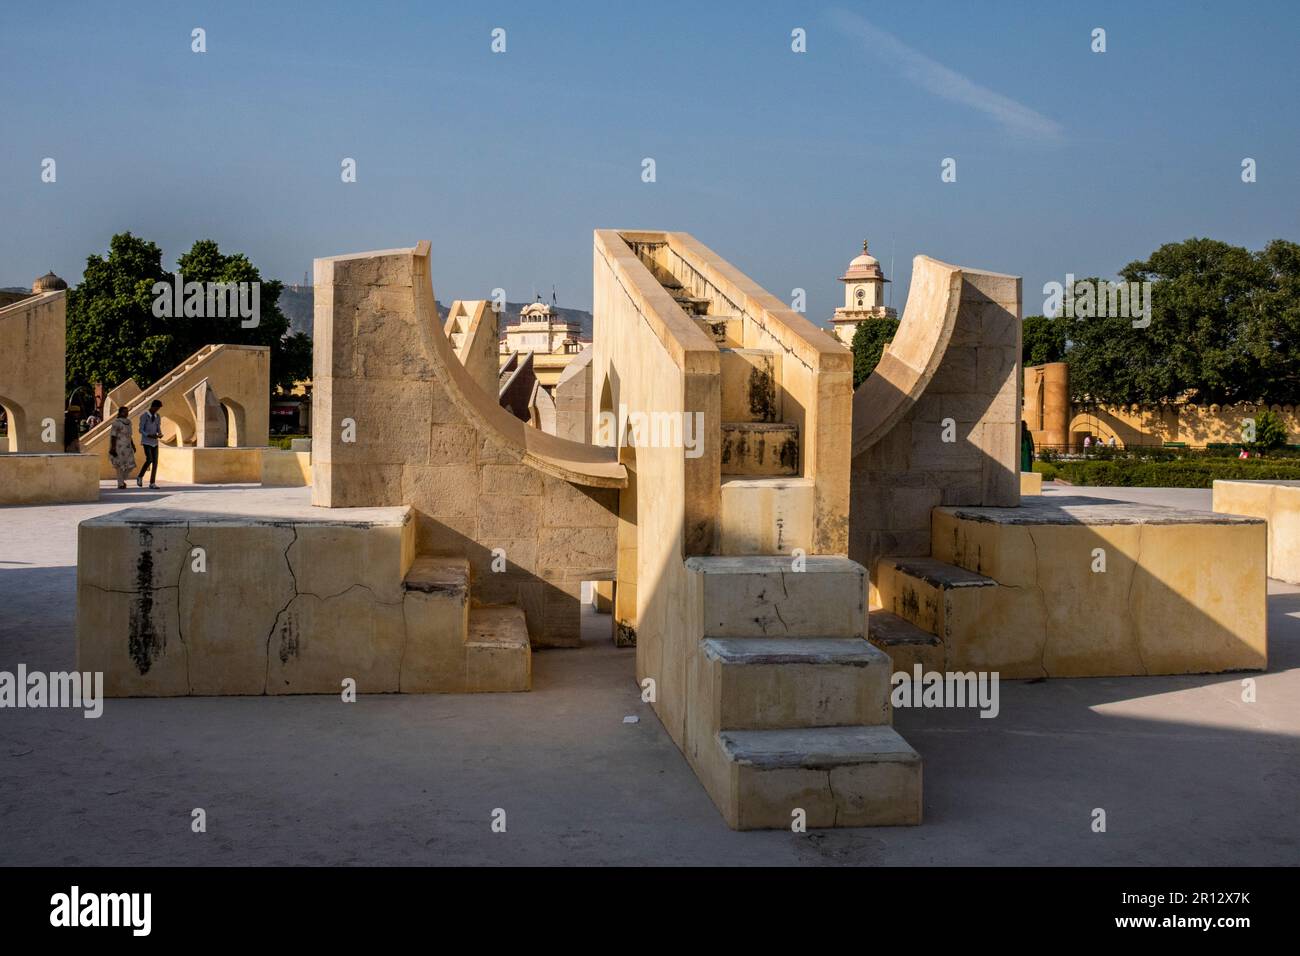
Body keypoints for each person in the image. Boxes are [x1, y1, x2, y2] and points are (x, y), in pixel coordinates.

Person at [136, 399, 163, 488]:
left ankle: (152, 482)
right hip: (146, 441)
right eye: (157, 408)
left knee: (155, 462)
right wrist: (148, 435)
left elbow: (158, 426)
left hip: (155, 441)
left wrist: (159, 433)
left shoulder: (157, 416)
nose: (157, 410)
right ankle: (140, 476)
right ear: (153, 406)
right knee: (149, 459)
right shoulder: (144, 416)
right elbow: (141, 429)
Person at [108, 407, 136, 489]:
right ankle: (120, 483)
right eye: (124, 412)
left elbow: (130, 435)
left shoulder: (129, 422)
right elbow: (113, 436)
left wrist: (133, 444)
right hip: (118, 447)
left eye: (127, 412)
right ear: (120, 413)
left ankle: (122, 480)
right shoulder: (116, 423)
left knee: (130, 465)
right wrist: (113, 448)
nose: (126, 413)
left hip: (127, 446)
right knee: (119, 466)